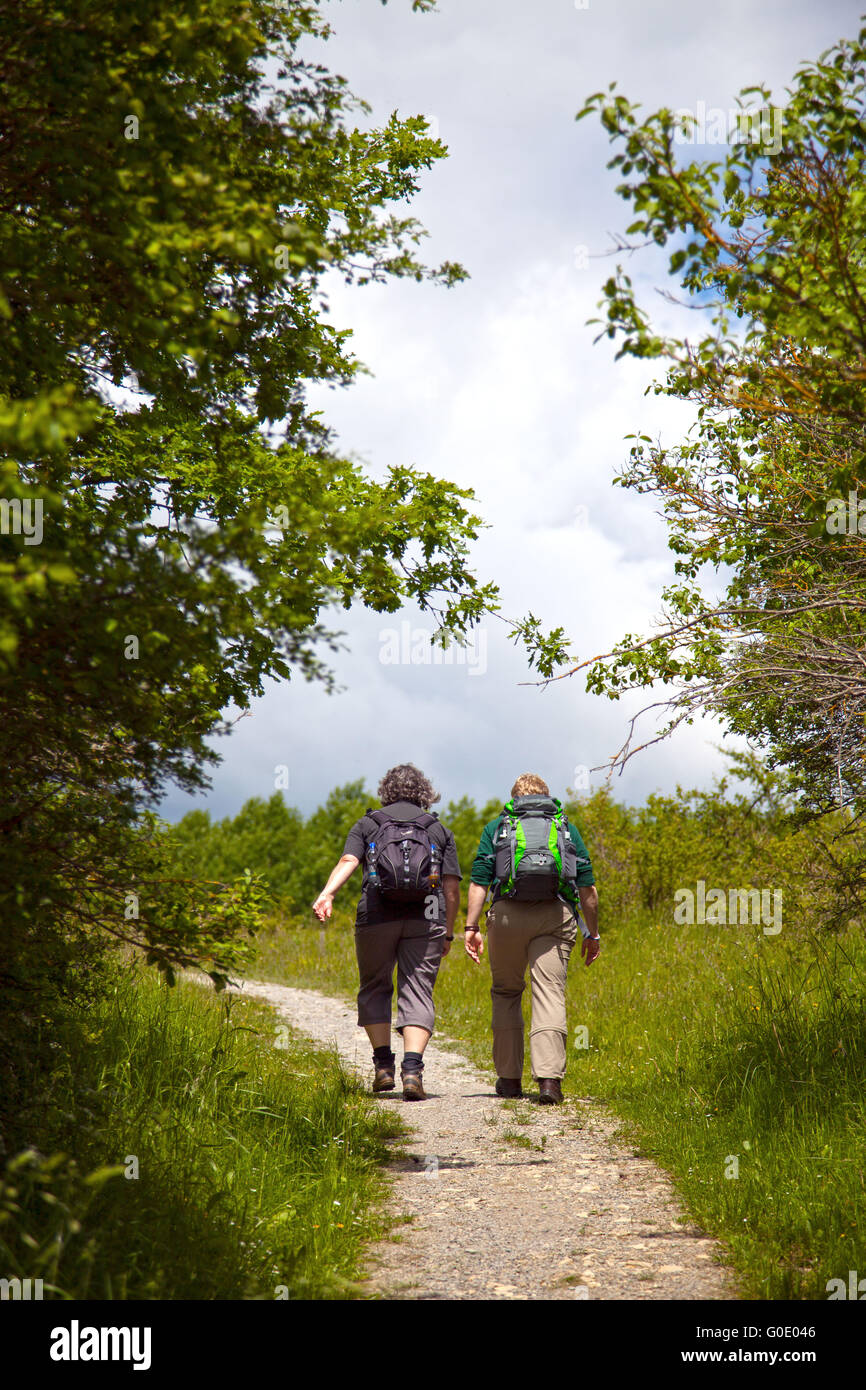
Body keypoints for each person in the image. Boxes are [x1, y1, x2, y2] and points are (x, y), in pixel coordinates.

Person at [312, 764, 461, 1101]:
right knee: (418, 990)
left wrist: (327, 894)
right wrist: (448, 931)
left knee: (375, 986)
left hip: (376, 914)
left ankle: (383, 1066)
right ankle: (412, 1070)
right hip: (428, 915)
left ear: (386, 791)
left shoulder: (369, 823)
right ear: (424, 792)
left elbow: (349, 861)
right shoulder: (438, 829)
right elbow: (451, 888)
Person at [463, 773, 600, 1104]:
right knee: (549, 993)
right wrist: (593, 933)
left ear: (514, 798)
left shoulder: (497, 828)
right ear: (546, 796)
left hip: (507, 916)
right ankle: (549, 1082)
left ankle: (510, 1080)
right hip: (555, 916)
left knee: (506, 992)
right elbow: (587, 889)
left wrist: (471, 927)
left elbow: (479, 881)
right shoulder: (565, 828)